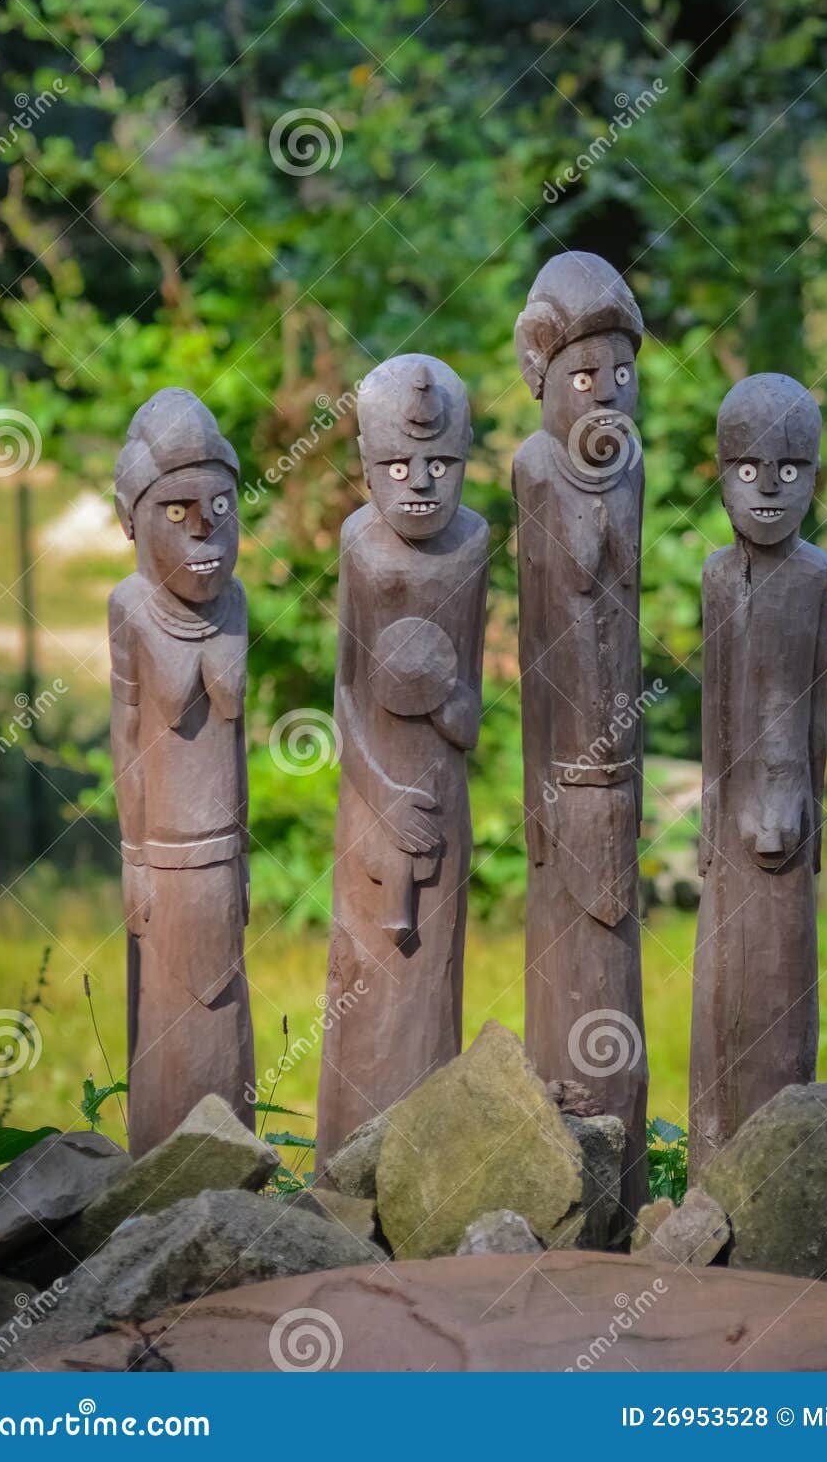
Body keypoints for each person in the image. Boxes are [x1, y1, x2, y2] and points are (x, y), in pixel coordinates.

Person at [315, 355, 489, 1170]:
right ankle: (344, 1170)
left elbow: (471, 716)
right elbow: (345, 696)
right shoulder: (361, 545)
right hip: (372, 799)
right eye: (396, 465)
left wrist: (443, 695)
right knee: (364, 979)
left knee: (429, 982)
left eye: (441, 463)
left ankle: (426, 1170)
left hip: (442, 801)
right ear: (364, 464)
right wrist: (383, 799)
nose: (420, 482)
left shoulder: (472, 544)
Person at [513, 251, 649, 1224]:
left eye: (622, 373)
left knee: (616, 957)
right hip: (561, 760)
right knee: (568, 950)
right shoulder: (534, 469)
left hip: (619, 756)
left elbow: (622, 585)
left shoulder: (629, 466)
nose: (605, 393)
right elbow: (542, 616)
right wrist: (538, 783)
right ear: (542, 373)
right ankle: (565, 1189)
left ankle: (628, 1189)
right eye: (584, 375)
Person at [688, 373, 827, 1175]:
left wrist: (817, 805)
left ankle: (784, 1161)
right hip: (735, 810)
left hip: (794, 809)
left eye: (790, 468)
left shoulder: (815, 575)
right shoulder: (720, 576)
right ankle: (715, 1160)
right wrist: (713, 810)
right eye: (749, 469)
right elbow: (715, 708)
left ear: (813, 474)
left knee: (786, 976)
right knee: (727, 981)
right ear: (722, 475)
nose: (769, 488)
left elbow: (816, 707)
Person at [110, 387, 254, 1156]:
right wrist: (134, 858)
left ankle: (236, 1177)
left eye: (220, 506)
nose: (204, 528)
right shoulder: (131, 609)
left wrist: (245, 852)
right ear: (131, 520)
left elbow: (236, 739)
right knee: (169, 1023)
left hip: (223, 853)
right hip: (164, 859)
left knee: (226, 1019)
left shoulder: (235, 605)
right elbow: (127, 740)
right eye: (177, 510)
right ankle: (164, 1181)